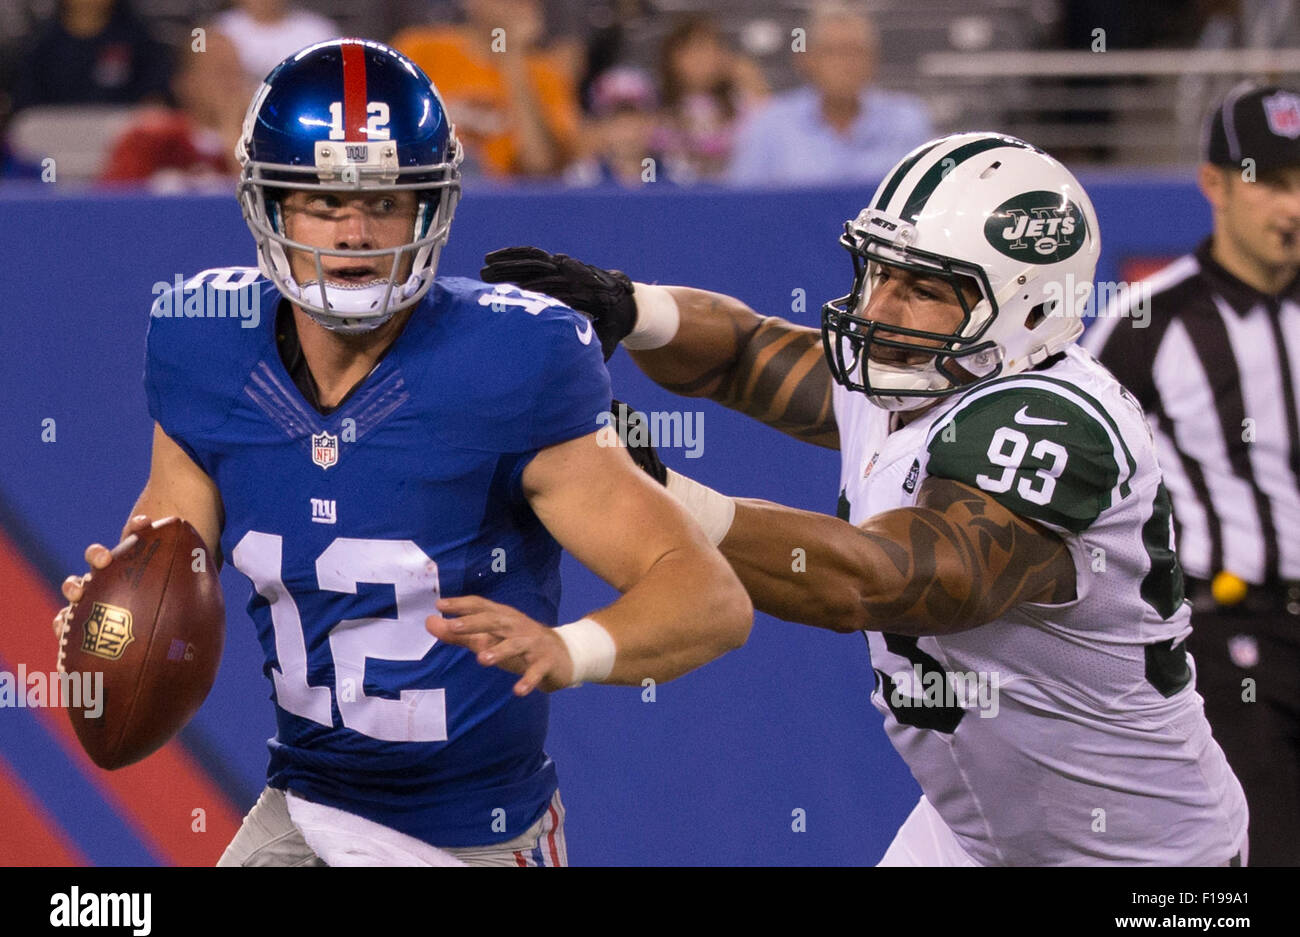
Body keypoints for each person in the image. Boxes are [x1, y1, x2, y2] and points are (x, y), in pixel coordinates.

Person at [51, 39, 751, 867]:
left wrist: (571, 648)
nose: (354, 231)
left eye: (385, 202)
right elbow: (173, 536)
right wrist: (121, 595)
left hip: (473, 833)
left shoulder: (510, 362)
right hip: (305, 802)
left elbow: (709, 595)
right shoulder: (201, 341)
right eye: (321, 202)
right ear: (268, 206)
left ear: (432, 209)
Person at [481, 131, 1249, 865]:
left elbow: (887, 581)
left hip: (1141, 852)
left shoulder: (1057, 424)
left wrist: (669, 496)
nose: (878, 309)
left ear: (1030, 308)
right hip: (970, 837)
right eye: (879, 272)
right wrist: (633, 307)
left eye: (921, 289)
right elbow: (743, 352)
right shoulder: (923, 371)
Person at [1084, 83, 1300, 866]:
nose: (1293, 207)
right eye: (1272, 182)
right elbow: (1084, 493)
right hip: (1229, 633)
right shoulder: (1147, 323)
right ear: (1214, 184)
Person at [727, 2, 931, 187]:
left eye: (855, 52)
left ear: (873, 59)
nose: (845, 65)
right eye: (832, 52)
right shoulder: (771, 124)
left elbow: (926, 199)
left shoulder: (906, 119)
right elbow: (744, 204)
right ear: (808, 59)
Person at [392, 0, 580, 179]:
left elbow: (540, 167)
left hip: (502, 203)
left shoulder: (544, 73)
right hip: (428, 188)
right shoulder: (422, 50)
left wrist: (512, 57)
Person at [99, 29, 251, 188]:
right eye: (219, 71)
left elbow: (260, 204)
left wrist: (232, 133)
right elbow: (113, 202)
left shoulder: (260, 144)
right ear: (184, 82)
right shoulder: (149, 138)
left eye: (236, 71)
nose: (230, 82)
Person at [655, 14, 767, 182]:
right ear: (672, 57)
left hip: (735, 198)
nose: (704, 58)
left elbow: (774, 134)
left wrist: (750, 79)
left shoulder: (743, 103)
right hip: (671, 199)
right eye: (694, 49)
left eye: (712, 48)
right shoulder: (652, 105)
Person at [8, 0, 172, 112]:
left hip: (122, 145)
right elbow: (26, 110)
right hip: (54, 146)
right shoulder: (39, 46)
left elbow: (154, 101)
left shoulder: (141, 41)